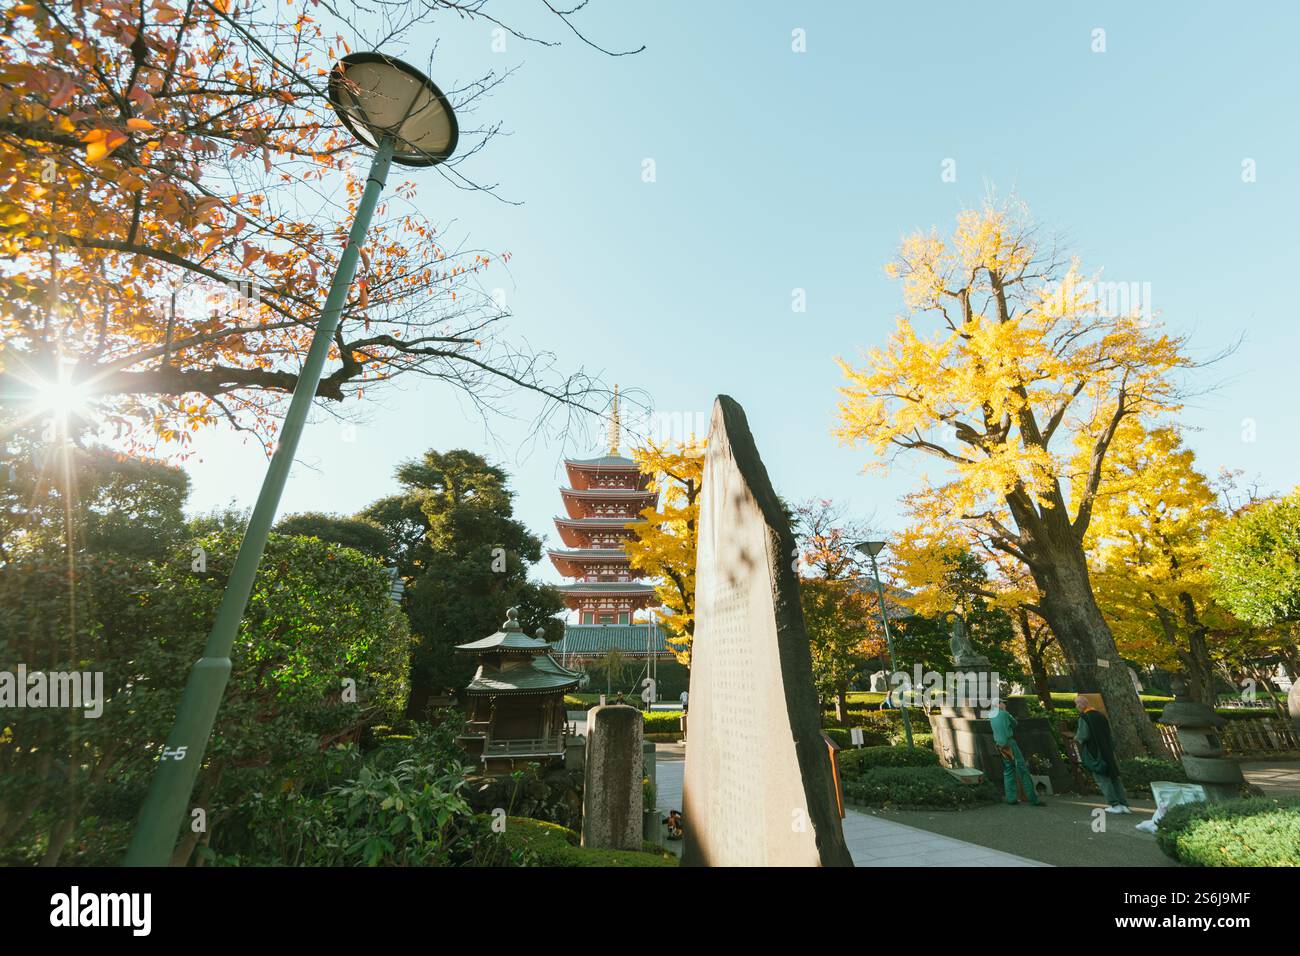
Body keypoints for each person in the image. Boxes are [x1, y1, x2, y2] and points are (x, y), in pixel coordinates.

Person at [1073, 695, 1131, 813]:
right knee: (1114, 777)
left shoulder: (1084, 717)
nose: (1076, 707)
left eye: (1076, 704)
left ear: (1080, 705)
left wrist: (1076, 738)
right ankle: (1124, 804)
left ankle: (1114, 804)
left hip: (1095, 751)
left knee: (1103, 778)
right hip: (1107, 750)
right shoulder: (1100, 715)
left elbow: (1083, 736)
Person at [989, 700, 1042, 806]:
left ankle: (1011, 798)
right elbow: (1014, 723)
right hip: (1009, 743)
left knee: (1008, 769)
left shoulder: (991, 716)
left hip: (1000, 745)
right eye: (1003, 703)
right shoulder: (1005, 714)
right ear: (998, 705)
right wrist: (1005, 712)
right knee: (1022, 768)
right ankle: (1032, 798)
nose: (1005, 705)